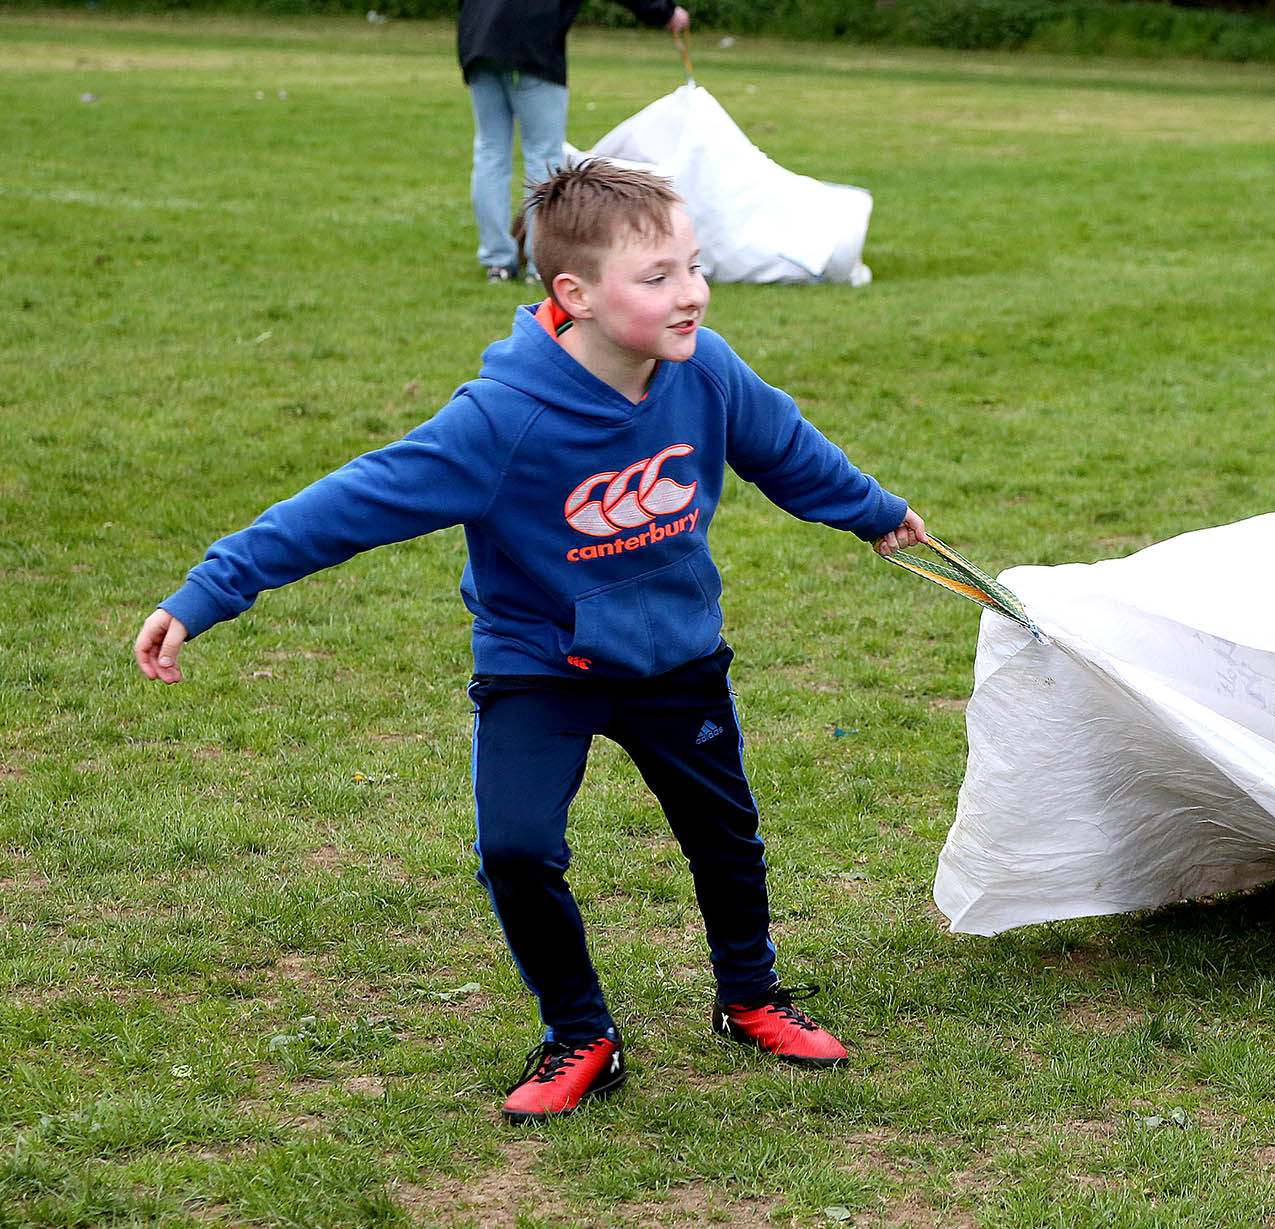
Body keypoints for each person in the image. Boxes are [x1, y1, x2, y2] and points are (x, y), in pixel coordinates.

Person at [134, 160, 924, 1124]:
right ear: (575, 295)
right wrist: (211, 589)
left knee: (723, 834)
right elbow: (352, 502)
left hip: (676, 657)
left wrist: (872, 511)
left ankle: (750, 995)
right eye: (659, 277)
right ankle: (581, 1033)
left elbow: (786, 448)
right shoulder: (501, 420)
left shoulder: (705, 369)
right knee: (515, 847)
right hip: (540, 662)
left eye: (694, 266)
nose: (692, 293)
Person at [459, 0, 690, 283]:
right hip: (531, 44)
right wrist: (665, 11)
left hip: (478, 44)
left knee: (490, 153)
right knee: (544, 155)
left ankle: (498, 262)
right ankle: (539, 264)